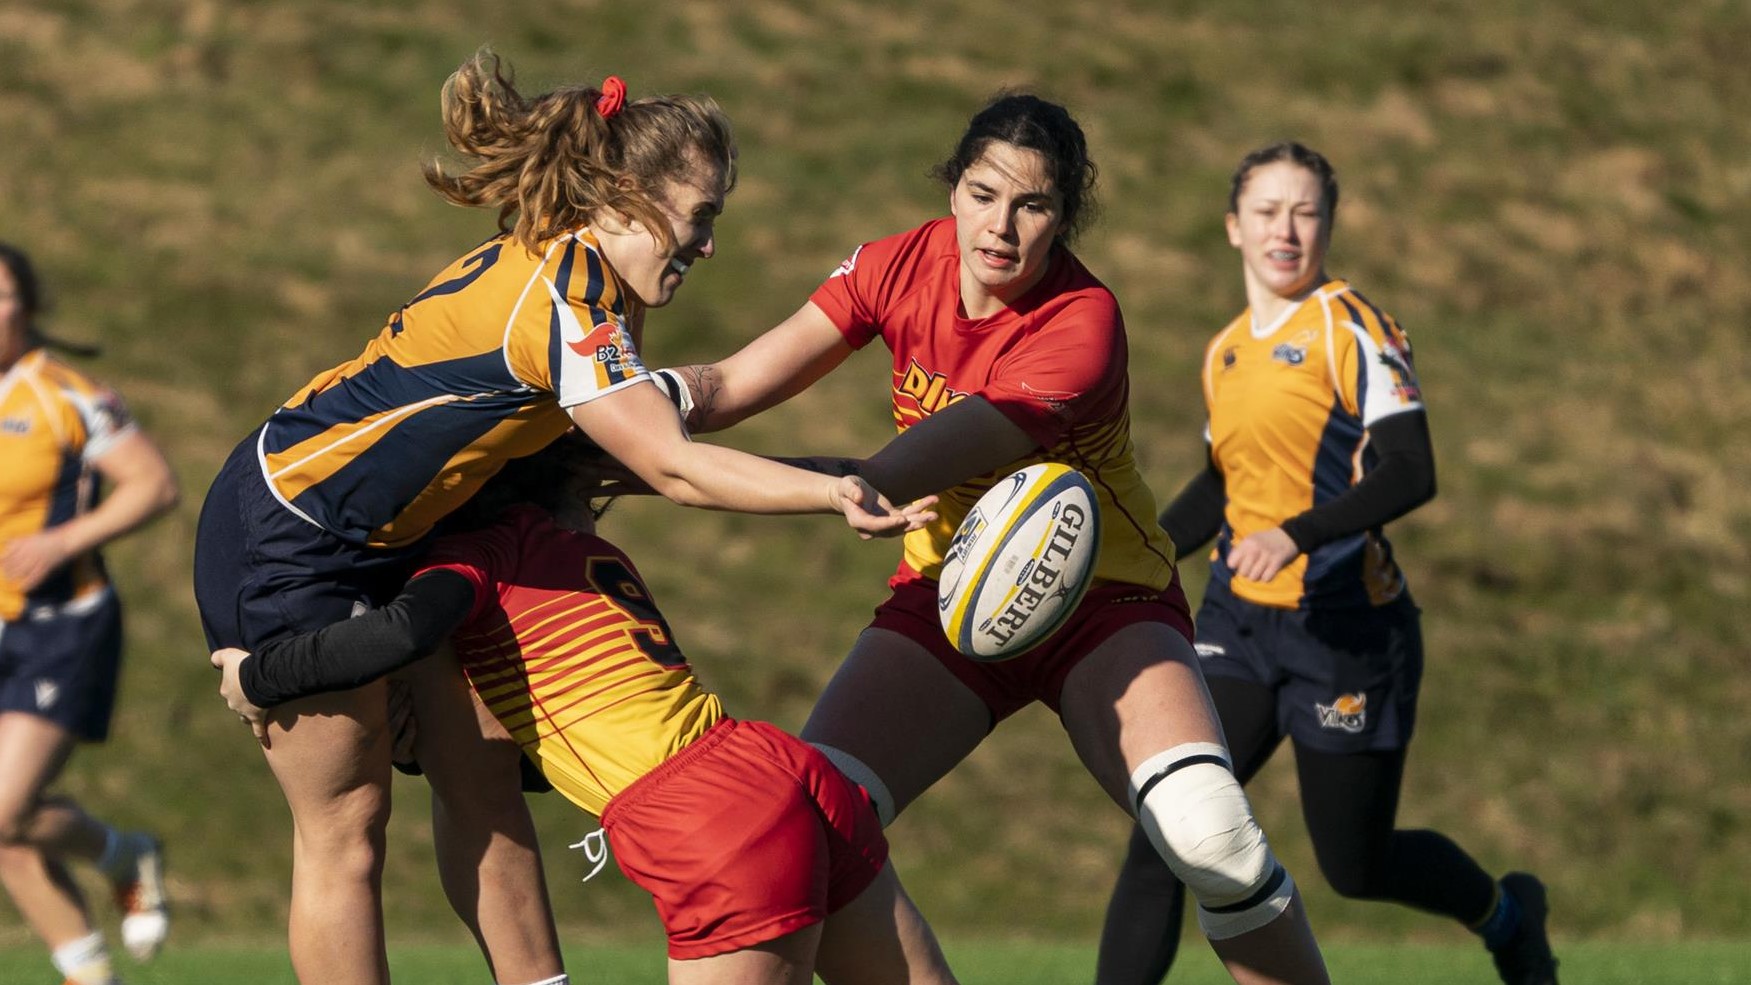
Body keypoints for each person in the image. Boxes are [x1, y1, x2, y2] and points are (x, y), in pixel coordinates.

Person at [190, 50, 932, 985]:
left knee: (483, 771)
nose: (708, 244)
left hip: (412, 522)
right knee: (347, 827)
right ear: (623, 197)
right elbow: (670, 462)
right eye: (700, 215)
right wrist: (828, 493)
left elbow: (632, 445)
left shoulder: (593, 282)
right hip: (290, 533)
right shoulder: (567, 300)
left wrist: (855, 478)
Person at [656, 94, 1330, 985]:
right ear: (953, 189)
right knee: (806, 832)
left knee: (1215, 841)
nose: (1000, 227)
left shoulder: (1082, 323)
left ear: (1064, 217)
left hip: (1105, 608)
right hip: (948, 599)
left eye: (1032, 205)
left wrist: (655, 468)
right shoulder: (896, 265)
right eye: (981, 195)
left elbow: (895, 471)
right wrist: (621, 406)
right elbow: (729, 383)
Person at [210, 437, 960, 985]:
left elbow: (402, 631)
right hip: (786, 769)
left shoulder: (476, 558)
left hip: (710, 819)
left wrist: (261, 675)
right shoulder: (577, 555)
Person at [1093, 142, 1559, 985]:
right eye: (1267, 212)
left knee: (1355, 862)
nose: (1285, 230)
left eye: (1305, 212)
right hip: (1236, 622)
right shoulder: (1225, 349)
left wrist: (1297, 535)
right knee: (1168, 831)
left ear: (1328, 225)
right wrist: (1131, 557)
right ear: (1233, 227)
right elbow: (1222, 486)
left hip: (1345, 630)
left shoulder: (1352, 327)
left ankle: (1509, 916)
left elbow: (1411, 469)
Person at [0, 243, 179, 985]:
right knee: (7, 834)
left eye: (0, 295)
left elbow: (153, 484)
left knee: (3, 812)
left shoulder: (66, 396)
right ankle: (90, 975)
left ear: (27, 307)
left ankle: (124, 855)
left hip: (60, 628)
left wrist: (62, 541)